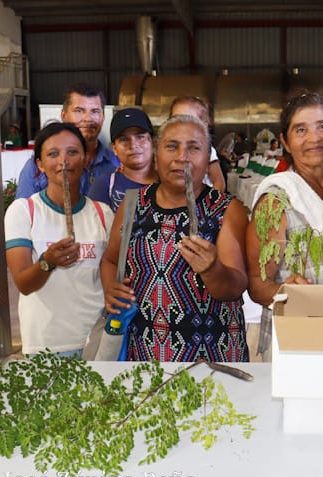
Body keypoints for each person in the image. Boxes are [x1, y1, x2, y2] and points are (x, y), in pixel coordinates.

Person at [101, 114, 249, 363]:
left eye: (194, 148)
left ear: (208, 160)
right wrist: (111, 289)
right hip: (145, 353)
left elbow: (235, 288)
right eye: (172, 147)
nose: (182, 157)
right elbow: (111, 260)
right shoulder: (132, 203)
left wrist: (213, 269)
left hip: (212, 357)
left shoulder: (226, 209)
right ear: (156, 156)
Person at [245, 91, 323, 356]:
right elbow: (257, 283)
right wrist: (283, 290)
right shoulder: (277, 201)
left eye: (322, 126)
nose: (314, 138)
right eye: (301, 130)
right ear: (286, 142)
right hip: (298, 345)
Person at [5, 122, 114, 357]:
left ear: (86, 160)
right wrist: (48, 261)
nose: (64, 161)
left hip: (97, 342)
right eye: (53, 154)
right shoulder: (24, 211)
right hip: (46, 346)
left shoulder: (103, 214)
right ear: (40, 165)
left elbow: (111, 274)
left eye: (73, 152)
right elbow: (24, 283)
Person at [15, 83, 118, 199]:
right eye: (79, 111)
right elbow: (23, 212)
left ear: (103, 117)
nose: (87, 118)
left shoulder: (117, 164)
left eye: (94, 111)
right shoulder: (37, 167)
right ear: (64, 115)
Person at [87, 107, 156, 212]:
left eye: (140, 137)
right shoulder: (105, 185)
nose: (133, 145)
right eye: (124, 139)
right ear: (114, 148)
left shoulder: (168, 182)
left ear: (153, 142)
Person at [169, 96, 227, 191]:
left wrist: (210, 204)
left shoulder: (206, 150)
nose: (182, 126)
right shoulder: (168, 149)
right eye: (175, 119)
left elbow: (219, 183)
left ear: (204, 125)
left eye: (190, 121)